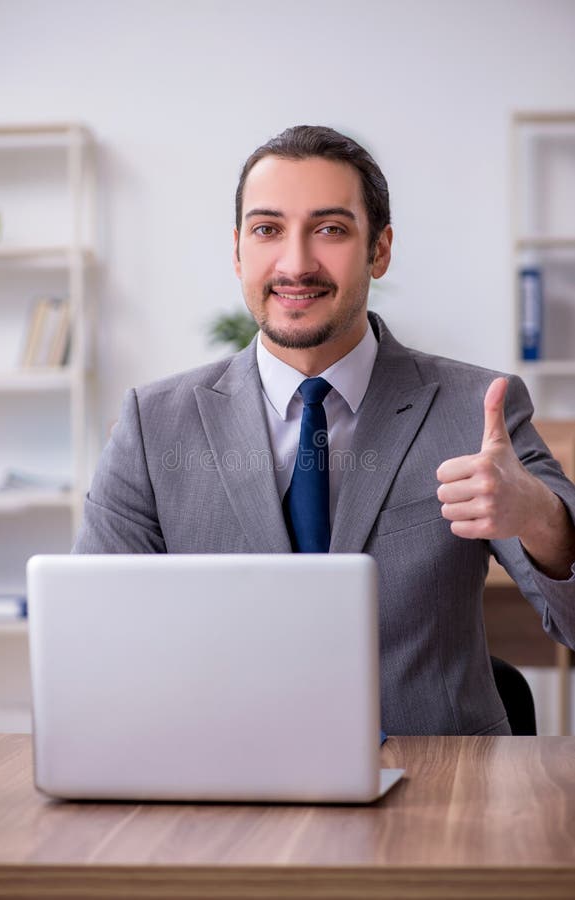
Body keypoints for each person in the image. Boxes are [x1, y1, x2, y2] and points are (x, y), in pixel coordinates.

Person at [73, 125, 575, 735]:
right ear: (238, 252)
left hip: (440, 794)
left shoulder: (479, 409)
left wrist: (541, 518)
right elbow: (91, 643)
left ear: (380, 249)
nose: (296, 263)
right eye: (267, 230)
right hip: (223, 791)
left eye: (330, 229)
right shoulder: (153, 426)